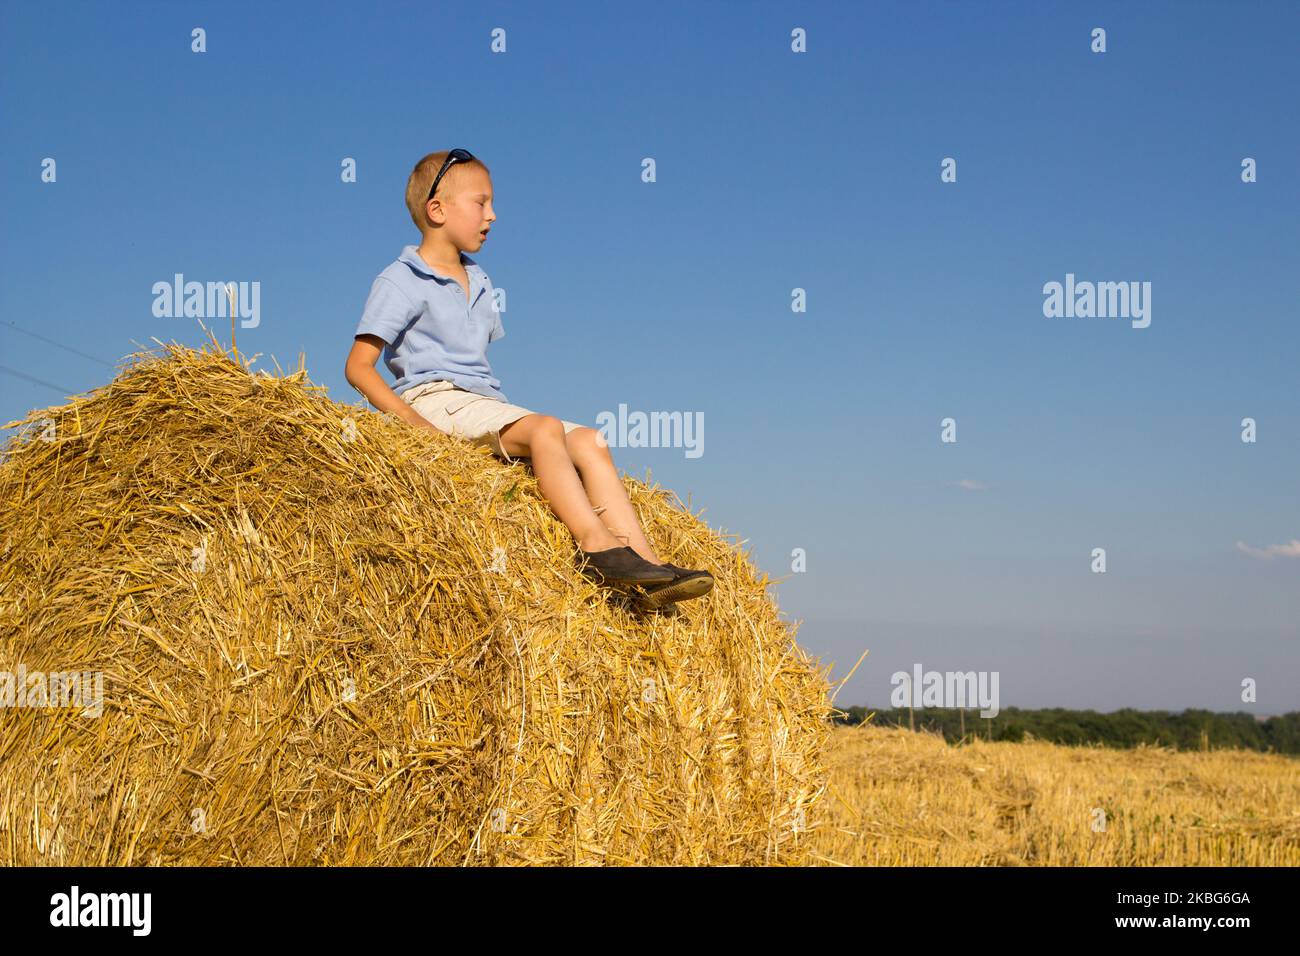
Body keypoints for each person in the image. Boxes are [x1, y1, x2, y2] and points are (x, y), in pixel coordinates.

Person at [344, 148, 712, 608]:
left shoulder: (478, 280)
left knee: (592, 442)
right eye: (481, 203)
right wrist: (419, 430)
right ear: (436, 210)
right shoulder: (401, 280)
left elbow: (477, 373)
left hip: (480, 401)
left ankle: (646, 563)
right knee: (545, 428)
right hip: (433, 398)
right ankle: (594, 543)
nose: (492, 215)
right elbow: (358, 366)